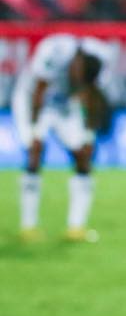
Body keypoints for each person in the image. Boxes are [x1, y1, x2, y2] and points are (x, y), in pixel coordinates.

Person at [13, 32, 114, 243]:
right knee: (35, 152)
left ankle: (76, 227)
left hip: (65, 105)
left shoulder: (102, 57)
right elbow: (39, 90)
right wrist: (34, 133)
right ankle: (28, 226)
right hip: (32, 98)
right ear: (76, 63)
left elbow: (92, 99)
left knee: (83, 156)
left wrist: (88, 135)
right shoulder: (54, 50)